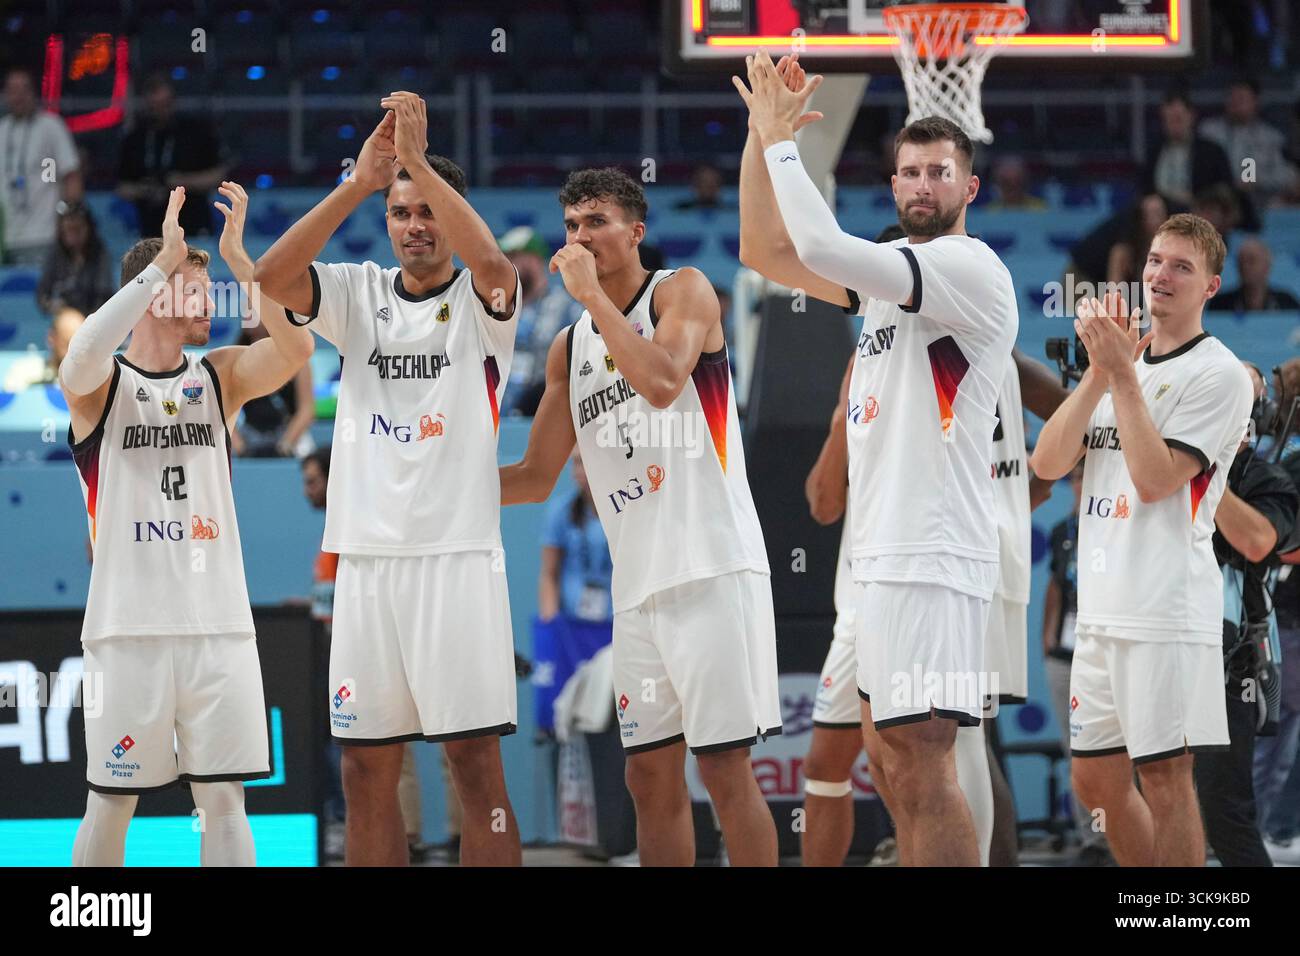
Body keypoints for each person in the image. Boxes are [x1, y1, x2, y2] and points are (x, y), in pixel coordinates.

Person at [736, 51, 1017, 866]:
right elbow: (765, 249)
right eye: (908, 173)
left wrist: (788, 141)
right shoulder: (891, 293)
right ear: (893, 188)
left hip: (933, 555)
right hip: (882, 562)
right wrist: (762, 136)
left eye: (939, 172)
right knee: (894, 771)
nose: (922, 185)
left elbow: (817, 242)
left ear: (969, 189)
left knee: (923, 773)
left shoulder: (968, 270)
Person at [254, 92, 523, 867]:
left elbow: (497, 264)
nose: (415, 224)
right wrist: (359, 183)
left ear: (452, 212)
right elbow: (271, 278)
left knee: (475, 767)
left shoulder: (482, 302)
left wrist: (419, 164)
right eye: (402, 210)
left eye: (429, 209)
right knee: (366, 768)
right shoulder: (358, 292)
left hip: (455, 559)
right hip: (366, 563)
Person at [499, 166, 780, 867]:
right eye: (571, 226)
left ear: (636, 230)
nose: (581, 236)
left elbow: (660, 382)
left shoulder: (679, 291)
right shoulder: (570, 348)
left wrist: (592, 299)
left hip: (712, 568)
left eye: (596, 221)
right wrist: (427, 486)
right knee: (647, 776)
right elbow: (535, 478)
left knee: (722, 771)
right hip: (639, 593)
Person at [61, 182, 314, 866]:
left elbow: (296, 352)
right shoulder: (102, 389)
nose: (210, 303)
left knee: (225, 801)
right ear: (157, 294)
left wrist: (241, 264)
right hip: (127, 632)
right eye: (195, 288)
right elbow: (76, 360)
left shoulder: (219, 376)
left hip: (218, 628)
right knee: (110, 804)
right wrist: (157, 265)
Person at [1030, 213, 1255, 867]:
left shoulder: (1219, 376)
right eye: (1156, 260)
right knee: (1095, 782)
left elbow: (1156, 480)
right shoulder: (1117, 364)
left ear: (1212, 286)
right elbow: (1047, 462)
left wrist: (1122, 377)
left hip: (1165, 608)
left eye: (1181, 266)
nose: (1161, 274)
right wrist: (1101, 375)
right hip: (1100, 611)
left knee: (1164, 779)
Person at [1197, 361, 1298, 866]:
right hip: (1157, 641)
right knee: (1154, 797)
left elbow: (1259, 542)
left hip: (1232, 657)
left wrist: (1207, 469)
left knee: (1224, 808)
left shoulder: (1267, 478)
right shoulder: (1164, 459)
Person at [1041, 461, 1114, 865]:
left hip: (1107, 651)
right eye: (1076, 478)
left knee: (1121, 751)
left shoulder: (1118, 525)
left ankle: (1126, 833)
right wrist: (1047, 635)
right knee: (1077, 751)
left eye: (1090, 477)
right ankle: (1093, 838)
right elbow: (1055, 583)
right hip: (1066, 654)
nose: (1082, 484)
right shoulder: (1061, 532)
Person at [117, 74, 227, 237]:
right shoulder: (135, 138)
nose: (160, 111)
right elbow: (122, 187)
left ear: (174, 102)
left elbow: (218, 176)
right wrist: (145, 190)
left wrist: (181, 183)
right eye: (154, 106)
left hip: (194, 227)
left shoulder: (196, 132)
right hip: (151, 231)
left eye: (165, 105)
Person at [0, 66, 83, 264]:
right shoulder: (1, 130)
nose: (18, 96)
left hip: (45, 236)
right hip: (5, 239)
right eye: (12, 90)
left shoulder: (51, 126)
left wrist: (68, 226)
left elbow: (71, 176)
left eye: (23, 90)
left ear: (34, 92)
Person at [498, 226, 583, 417]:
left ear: (534, 260)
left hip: (543, 413)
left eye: (513, 256)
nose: (506, 264)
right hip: (497, 413)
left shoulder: (563, 307)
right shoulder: (500, 307)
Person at [1200, 77, 1299, 211]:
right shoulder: (1209, 132)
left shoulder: (1271, 137)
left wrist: (1257, 181)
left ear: (1255, 102)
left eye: (1241, 99)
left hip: (1260, 204)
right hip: (1217, 203)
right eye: (1232, 98)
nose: (1235, 104)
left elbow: (1287, 176)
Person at [1141, 90, 1238, 217]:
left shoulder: (1212, 151)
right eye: (1168, 119)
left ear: (1191, 116)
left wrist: (1198, 201)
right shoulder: (1153, 151)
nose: (1173, 125)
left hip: (1200, 212)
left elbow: (1225, 188)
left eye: (1178, 119)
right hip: (1161, 214)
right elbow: (1144, 189)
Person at [231, 322, 316, 457]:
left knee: (308, 456)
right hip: (250, 436)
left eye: (254, 310)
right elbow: (225, 411)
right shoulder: (233, 359)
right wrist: (240, 447)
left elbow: (307, 410)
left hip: (290, 435)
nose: (248, 315)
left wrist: (286, 445)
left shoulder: (297, 358)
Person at [37, 201, 114, 315]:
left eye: (77, 230)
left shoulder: (99, 252)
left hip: (95, 317)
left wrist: (88, 319)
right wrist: (51, 305)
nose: (72, 236)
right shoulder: (56, 253)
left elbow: (104, 294)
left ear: (88, 228)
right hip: (66, 317)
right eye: (68, 230)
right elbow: (42, 294)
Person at [3, 303, 83, 391]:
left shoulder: (92, 381)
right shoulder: (24, 373)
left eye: (80, 346)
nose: (74, 352)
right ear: (51, 338)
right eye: (67, 344)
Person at [1207, 238, 1300, 313]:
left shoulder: (1287, 303)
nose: (1245, 266)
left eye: (1252, 261)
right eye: (1241, 262)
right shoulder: (1219, 304)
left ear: (1267, 265)